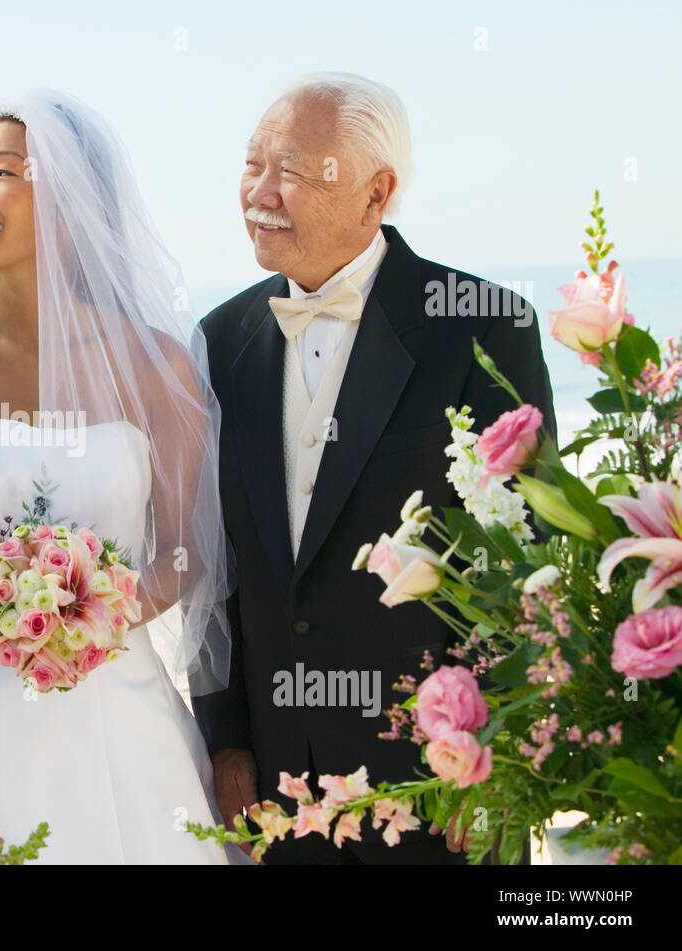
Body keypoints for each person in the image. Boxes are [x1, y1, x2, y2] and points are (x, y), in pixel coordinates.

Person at [0, 89, 239, 863]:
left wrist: (86, 615)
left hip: (115, 700)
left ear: (75, 204)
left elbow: (188, 551)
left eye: (6, 174)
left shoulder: (156, 363)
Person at [194, 72, 555, 863]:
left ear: (375, 192)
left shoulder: (484, 327)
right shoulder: (218, 341)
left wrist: (496, 750)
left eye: (290, 169)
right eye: (251, 163)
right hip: (276, 787)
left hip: (439, 781)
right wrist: (225, 740)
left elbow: (525, 559)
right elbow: (213, 568)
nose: (259, 190)